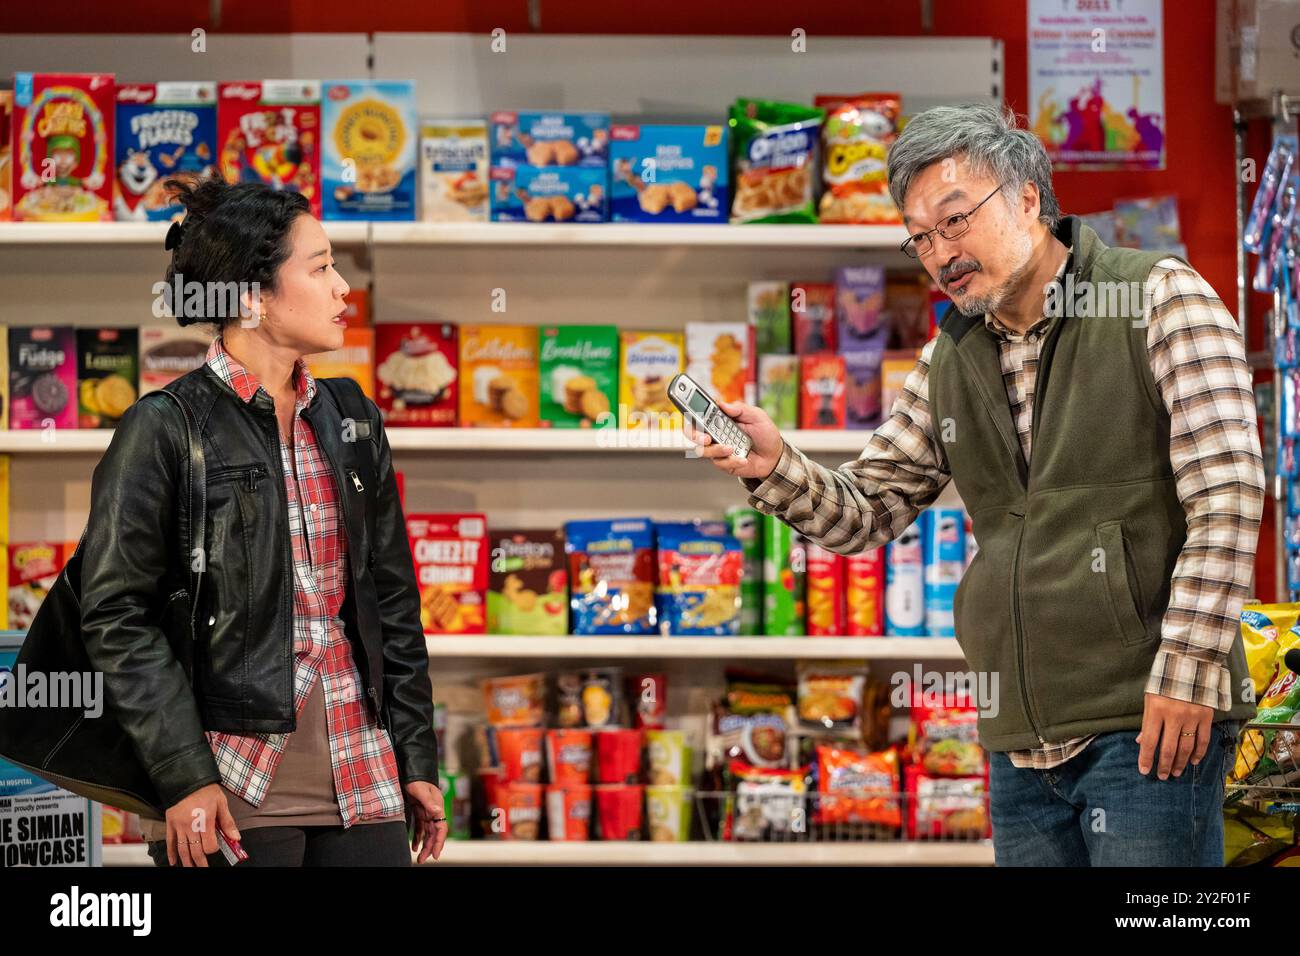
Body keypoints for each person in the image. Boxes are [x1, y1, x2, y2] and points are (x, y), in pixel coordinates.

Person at [691, 103, 1263, 866]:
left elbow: (1227, 494)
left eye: (955, 221)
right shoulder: (949, 357)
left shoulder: (1158, 297)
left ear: (1028, 197)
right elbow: (870, 510)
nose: (939, 252)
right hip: (1017, 744)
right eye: (921, 237)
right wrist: (774, 466)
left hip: (1149, 724)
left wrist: (1188, 678)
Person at [78, 177, 446, 867]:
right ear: (252, 295)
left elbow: (391, 598)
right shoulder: (166, 427)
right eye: (321, 267)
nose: (343, 289)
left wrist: (416, 754)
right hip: (230, 784)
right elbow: (114, 615)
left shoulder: (352, 418)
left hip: (364, 773)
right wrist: (181, 773)